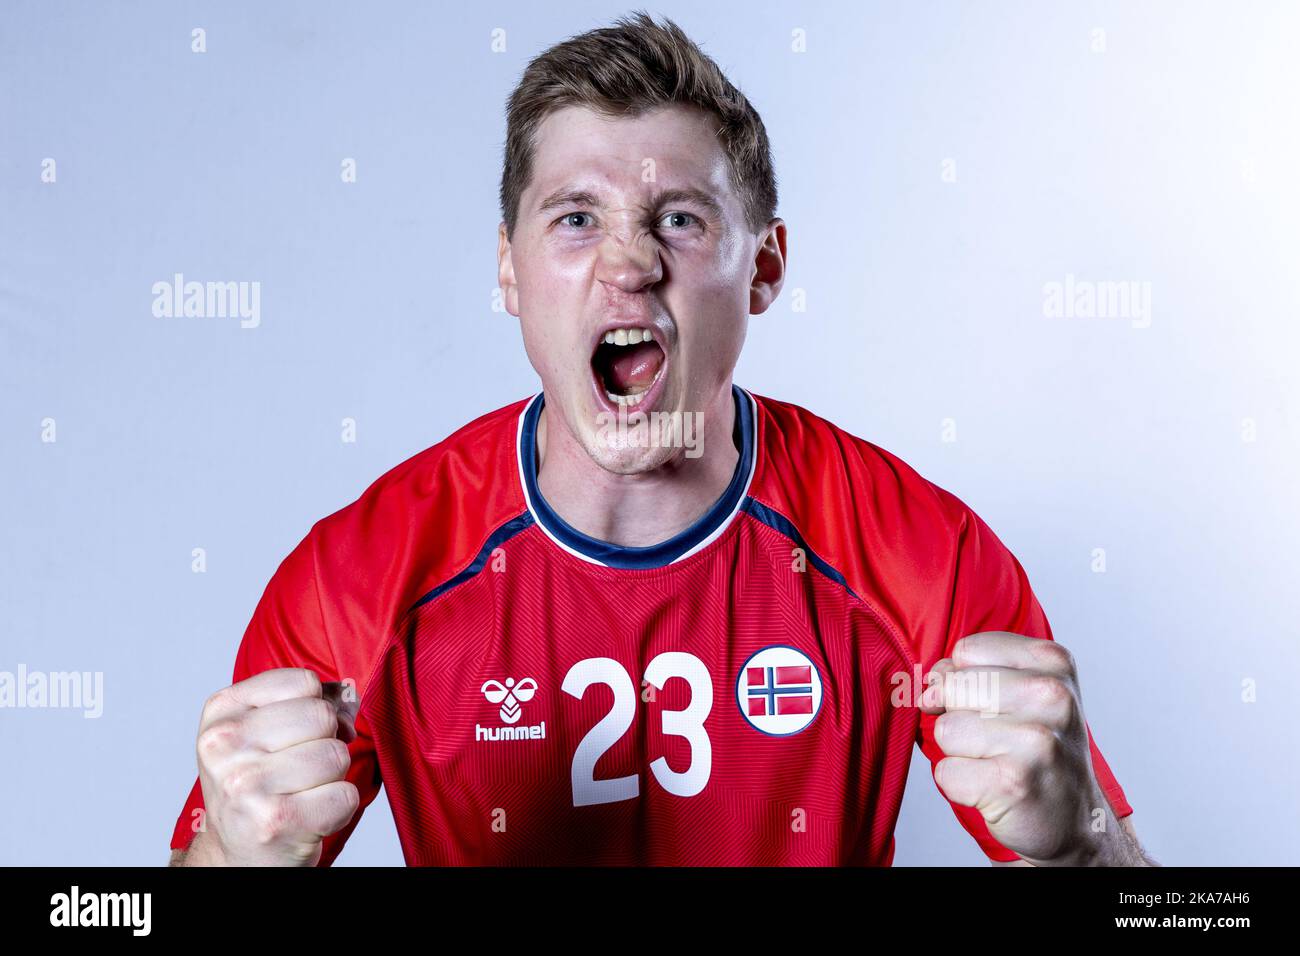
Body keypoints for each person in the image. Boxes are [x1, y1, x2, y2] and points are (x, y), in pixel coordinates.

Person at [169, 11, 1154, 867]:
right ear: (509, 271)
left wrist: (1081, 844)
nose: (629, 265)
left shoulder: (919, 553)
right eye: (576, 217)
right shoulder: (364, 573)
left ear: (763, 267)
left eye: (678, 219)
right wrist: (228, 855)